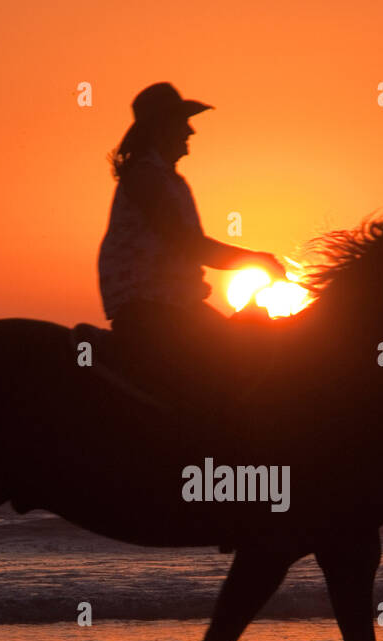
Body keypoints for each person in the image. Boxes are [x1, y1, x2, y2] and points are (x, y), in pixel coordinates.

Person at [98, 82, 285, 408]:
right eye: (182, 122)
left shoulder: (166, 179)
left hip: (177, 304)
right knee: (220, 376)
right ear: (161, 128)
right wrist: (255, 260)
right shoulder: (146, 178)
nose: (190, 131)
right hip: (151, 308)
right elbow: (189, 245)